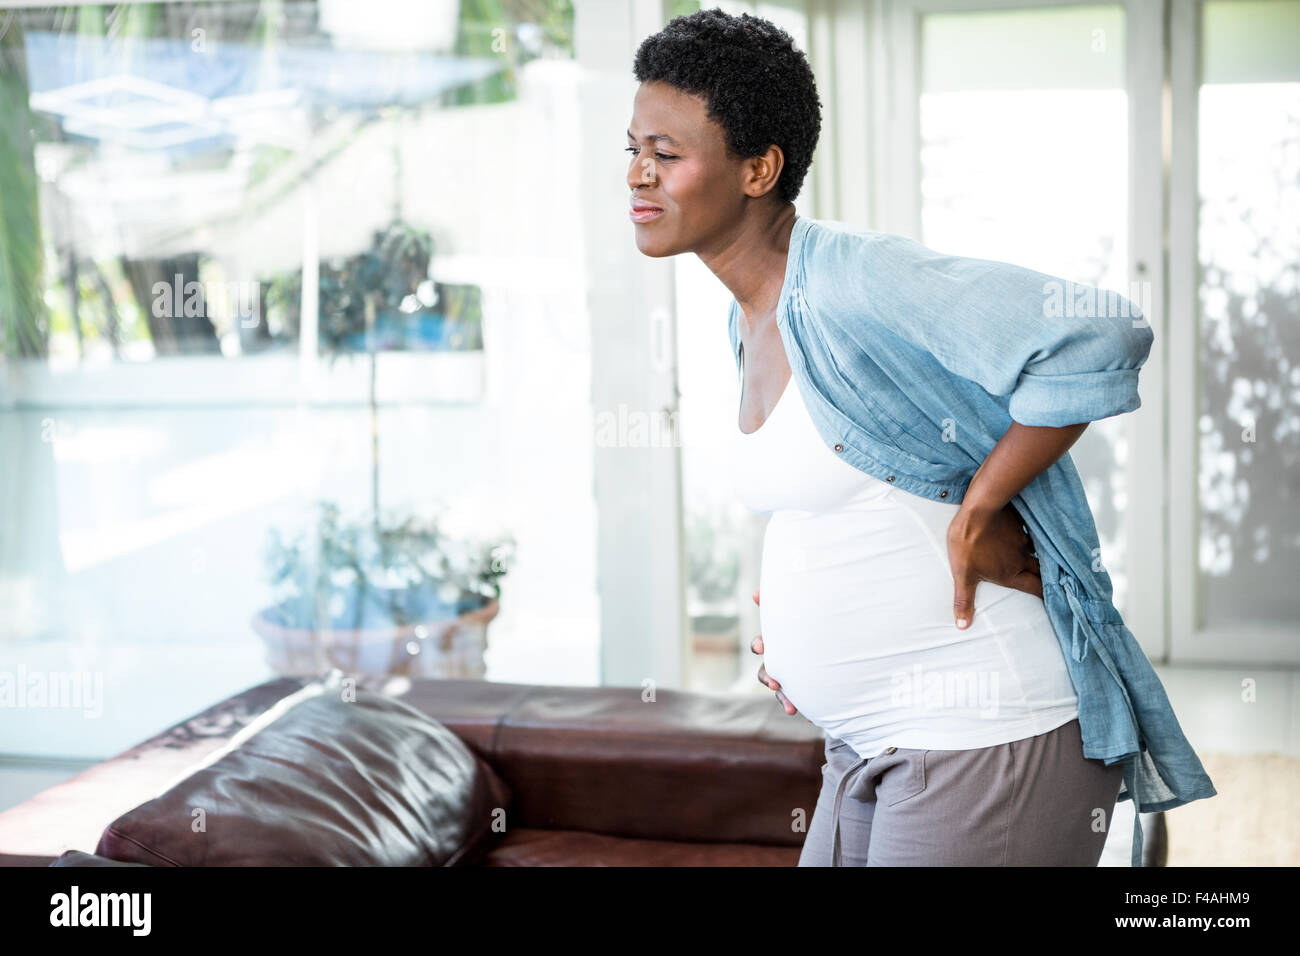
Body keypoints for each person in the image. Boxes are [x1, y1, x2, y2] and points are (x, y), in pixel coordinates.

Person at [626, 8, 1214, 866]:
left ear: (759, 168)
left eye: (665, 154)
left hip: (983, 733)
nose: (638, 174)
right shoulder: (747, 315)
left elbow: (1098, 333)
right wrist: (800, 622)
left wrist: (980, 510)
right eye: (632, 148)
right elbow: (855, 481)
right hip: (868, 740)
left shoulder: (853, 278)